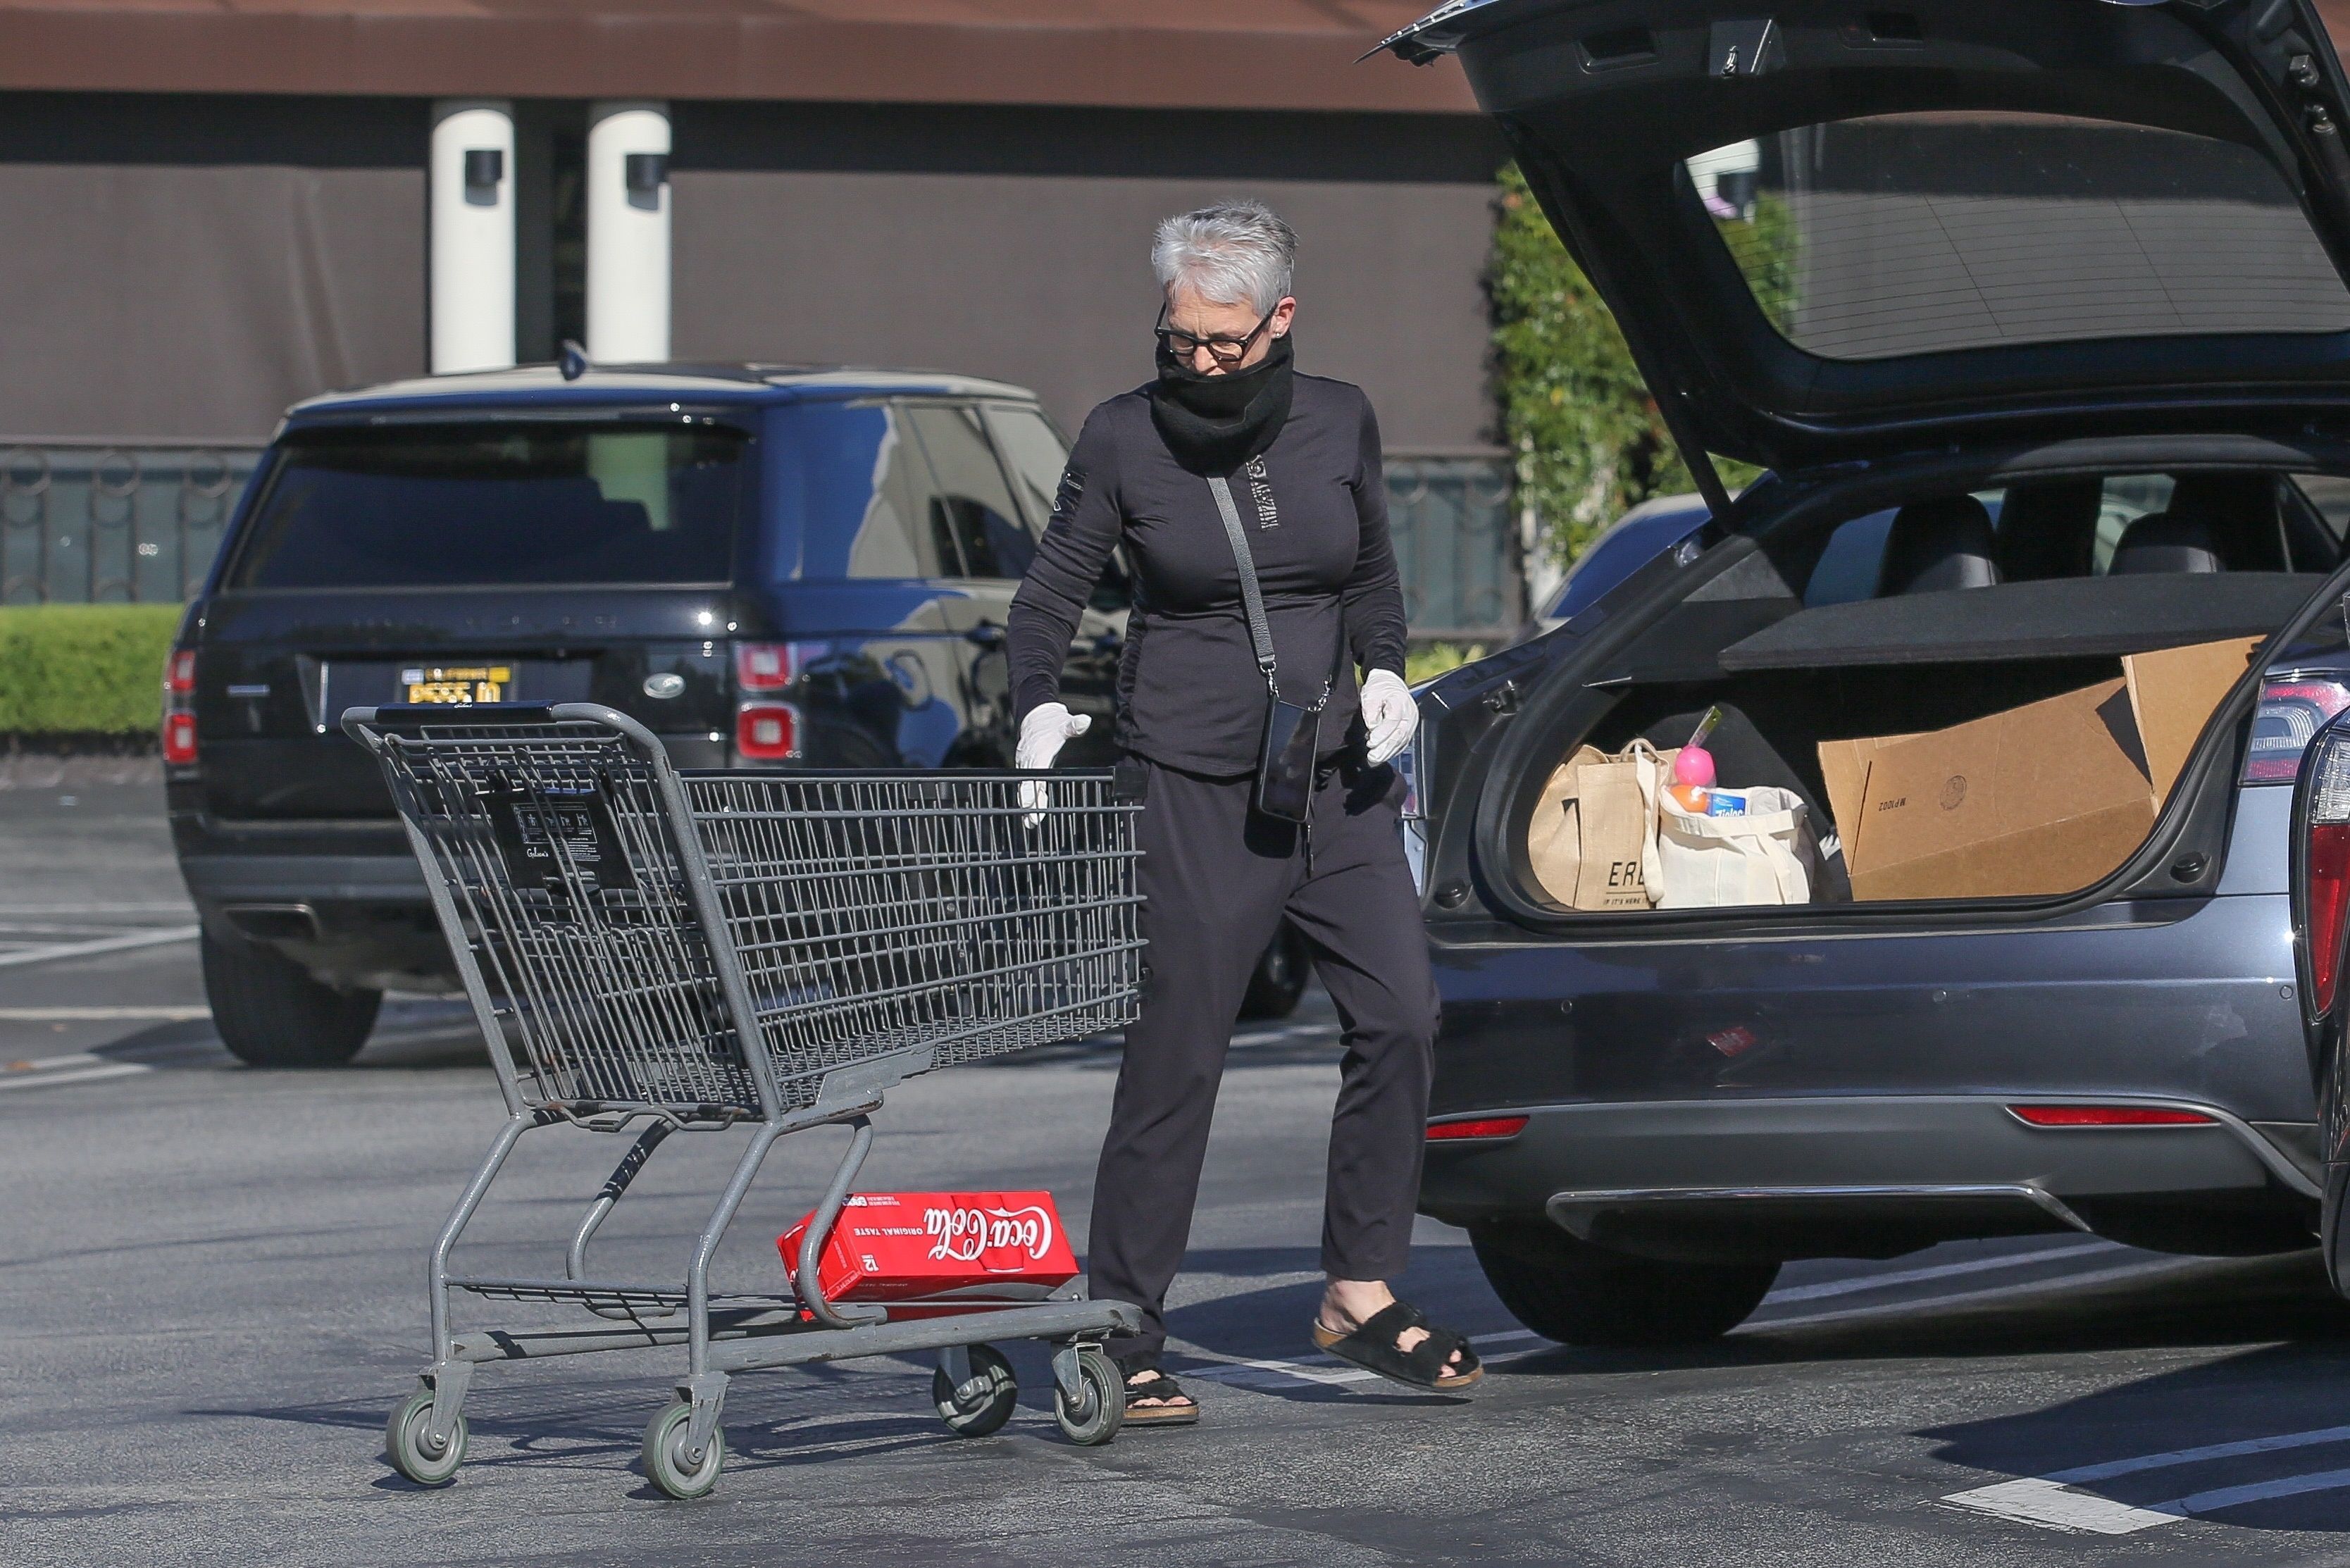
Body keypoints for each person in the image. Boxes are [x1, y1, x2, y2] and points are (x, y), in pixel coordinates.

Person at [1006, 201, 1478, 1426]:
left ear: (1281, 319)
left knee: (1403, 1014)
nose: (1200, 363)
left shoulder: (1340, 419)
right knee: (1182, 1049)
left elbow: (1370, 574)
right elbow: (1050, 594)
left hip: (1333, 777)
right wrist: (1036, 710)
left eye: (1226, 342)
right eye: (1182, 340)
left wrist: (1386, 670)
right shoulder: (1122, 438)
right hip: (1194, 778)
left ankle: (1360, 1290)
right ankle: (1123, 1321)